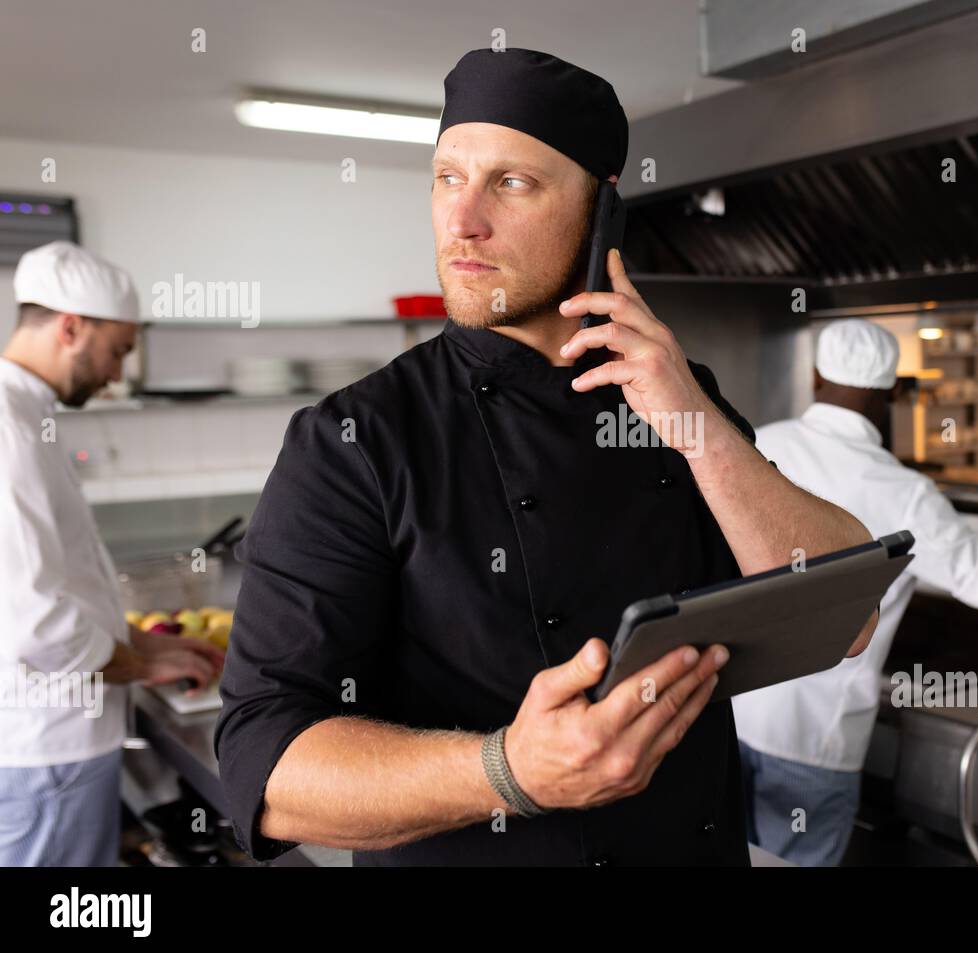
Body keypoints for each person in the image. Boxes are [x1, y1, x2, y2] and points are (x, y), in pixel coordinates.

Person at [215, 48, 876, 867]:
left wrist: (696, 423)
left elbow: (846, 615)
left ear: (602, 213)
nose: (463, 220)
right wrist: (509, 771)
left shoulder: (676, 393)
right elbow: (265, 764)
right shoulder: (355, 441)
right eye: (447, 178)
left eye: (513, 182)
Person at [731, 319, 978, 866]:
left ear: (816, 376)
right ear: (896, 392)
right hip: (811, 741)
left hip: (727, 717)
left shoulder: (754, 446)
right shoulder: (903, 492)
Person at [0, 241, 222, 866]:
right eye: (118, 351)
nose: (117, 375)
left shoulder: (25, 415)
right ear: (71, 328)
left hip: (55, 749)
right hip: (47, 750)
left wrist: (147, 645)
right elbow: (35, 624)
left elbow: (58, 585)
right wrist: (140, 666)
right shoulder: (9, 429)